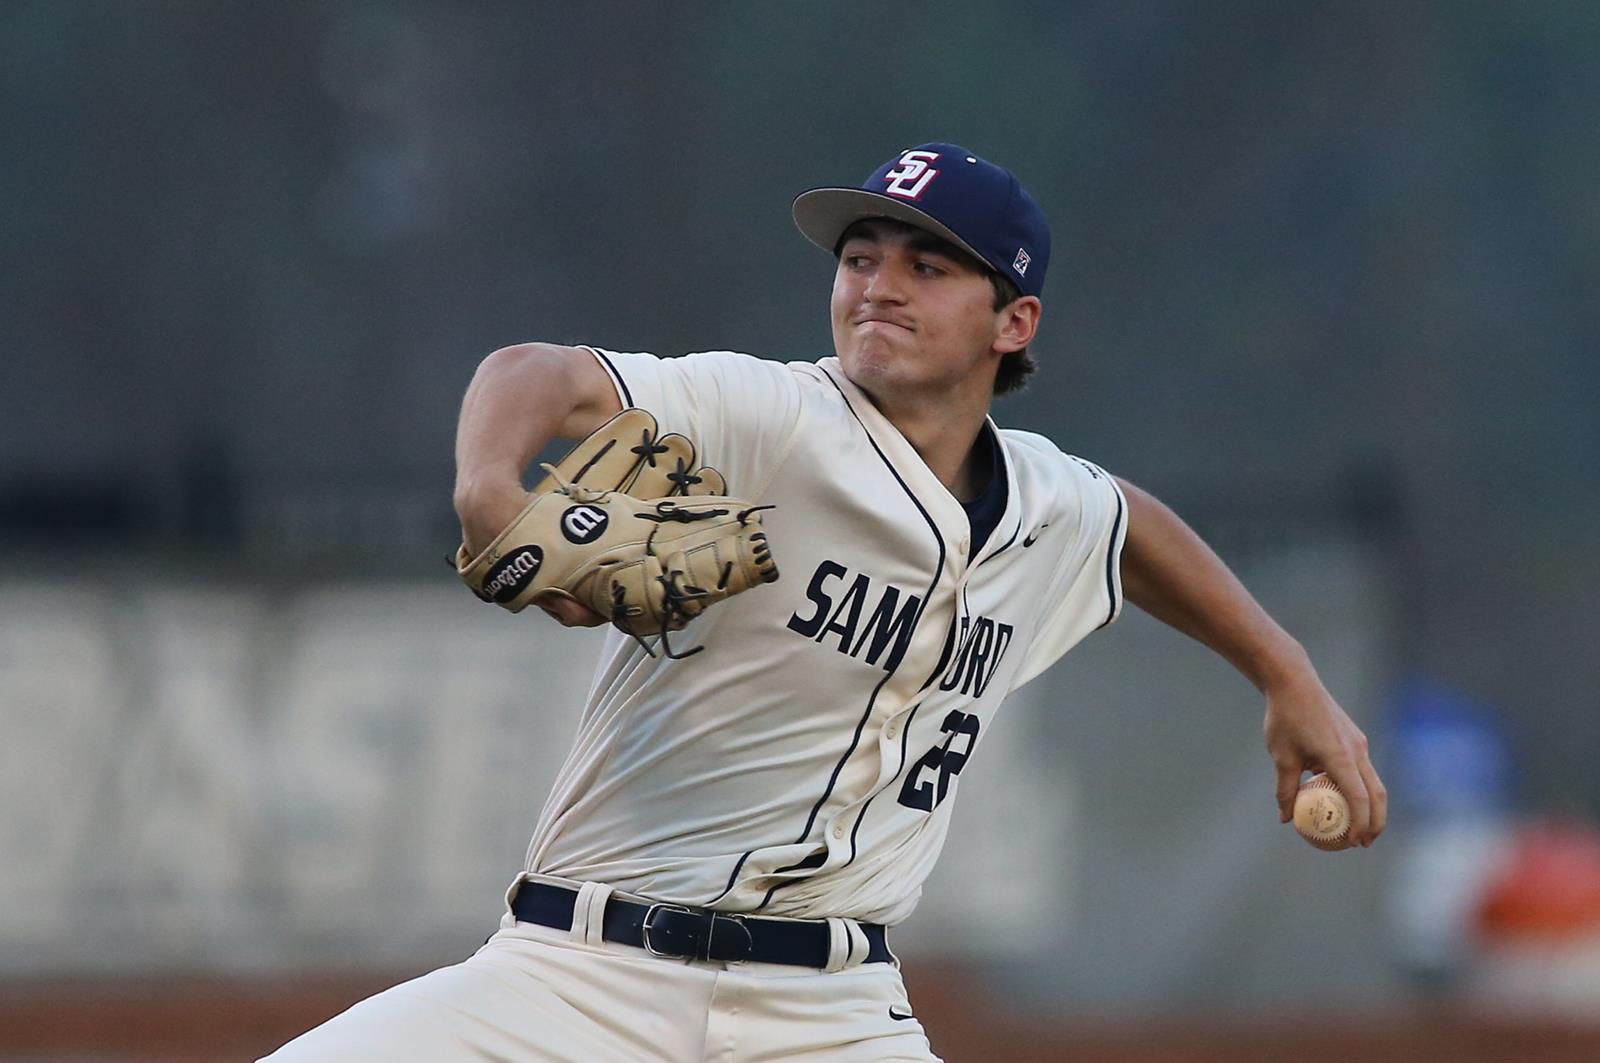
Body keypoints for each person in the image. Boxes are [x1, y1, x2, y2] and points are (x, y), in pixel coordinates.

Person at [263, 142, 1386, 1062]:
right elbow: (534, 371)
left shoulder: (1047, 500)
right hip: (580, 978)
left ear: (1014, 322)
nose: (879, 283)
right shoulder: (773, 417)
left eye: (927, 265)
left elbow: (1132, 527)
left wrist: (1288, 676)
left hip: (829, 1014)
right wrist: (487, 485)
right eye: (861, 255)